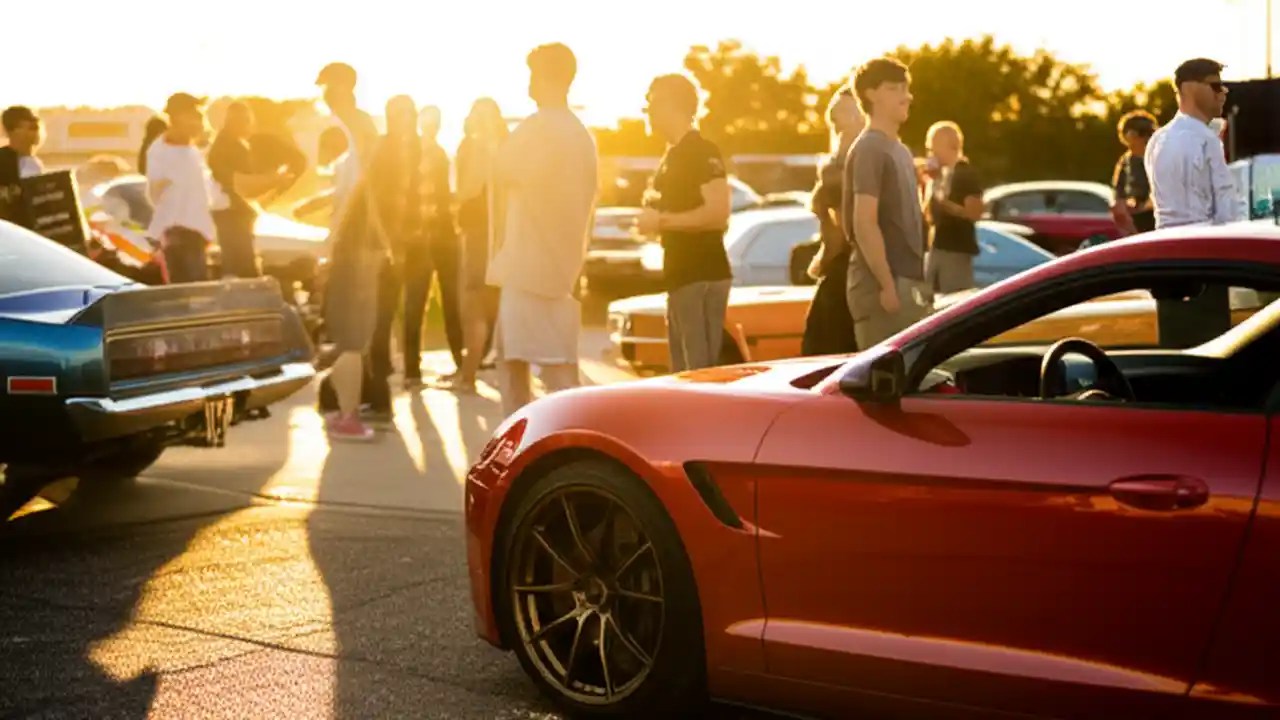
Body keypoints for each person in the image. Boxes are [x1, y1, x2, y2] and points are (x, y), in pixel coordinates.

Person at [488, 43, 598, 417]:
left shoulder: (541, 128)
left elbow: (503, 169)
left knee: (528, 365)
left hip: (530, 265)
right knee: (552, 361)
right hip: (560, 265)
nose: (529, 83)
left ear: (549, 78)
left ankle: (524, 442)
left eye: (533, 74)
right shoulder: (580, 133)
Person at [636, 73, 733, 372]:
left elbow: (718, 213)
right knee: (684, 374)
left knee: (700, 376)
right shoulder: (673, 154)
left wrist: (661, 220)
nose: (648, 113)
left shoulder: (700, 150)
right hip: (681, 276)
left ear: (671, 105)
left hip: (701, 275)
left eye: (651, 104)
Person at [315, 61, 384, 442]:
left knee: (351, 334)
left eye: (327, 87)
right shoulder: (359, 129)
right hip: (359, 245)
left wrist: (335, 242)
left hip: (355, 246)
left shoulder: (355, 129)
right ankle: (344, 412)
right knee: (347, 334)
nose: (323, 96)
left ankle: (348, 416)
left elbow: (359, 192)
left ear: (343, 88)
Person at [844, 58, 930, 349]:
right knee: (882, 385)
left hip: (909, 284)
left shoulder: (901, 151)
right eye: (894, 88)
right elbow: (864, 222)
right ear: (870, 94)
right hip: (882, 289)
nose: (906, 96)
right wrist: (886, 285)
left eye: (906, 88)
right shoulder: (870, 148)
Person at [431, 98, 506, 394]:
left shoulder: (476, 147)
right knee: (493, 307)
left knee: (472, 306)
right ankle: (474, 370)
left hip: (477, 233)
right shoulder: (506, 146)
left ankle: (467, 376)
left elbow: (468, 188)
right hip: (499, 235)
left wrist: (454, 196)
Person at [365, 94, 422, 422]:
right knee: (380, 321)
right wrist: (387, 243)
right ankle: (378, 398)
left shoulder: (415, 149)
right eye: (400, 113)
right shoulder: (384, 149)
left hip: (415, 246)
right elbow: (373, 198)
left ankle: (406, 374)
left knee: (407, 315)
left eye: (409, 113)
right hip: (387, 247)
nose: (406, 118)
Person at [402, 105, 463, 387]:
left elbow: (444, 195)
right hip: (425, 238)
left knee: (438, 302)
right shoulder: (420, 154)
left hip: (435, 237)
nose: (432, 126)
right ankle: (415, 370)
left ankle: (418, 371)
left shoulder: (432, 154)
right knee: (426, 303)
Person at [801, 86, 862, 357]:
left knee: (828, 351)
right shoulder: (836, 165)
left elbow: (840, 231)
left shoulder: (844, 167)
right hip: (845, 266)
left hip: (849, 267)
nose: (839, 128)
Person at [1147, 58, 1242, 229]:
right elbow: (1227, 212)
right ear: (1189, 88)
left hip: (1165, 244)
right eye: (1215, 86)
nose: (1223, 92)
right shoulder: (1207, 140)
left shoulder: (1156, 140)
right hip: (1203, 244)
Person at [208, 102, 296, 278]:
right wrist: (275, 179)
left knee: (240, 266)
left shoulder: (231, 144)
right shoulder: (228, 146)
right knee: (241, 268)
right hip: (232, 214)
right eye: (246, 120)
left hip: (235, 213)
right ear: (233, 121)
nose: (250, 125)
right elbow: (239, 184)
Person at [145, 93, 215, 284]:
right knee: (191, 294)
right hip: (179, 234)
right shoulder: (161, 151)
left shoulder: (192, 151)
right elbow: (155, 194)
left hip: (196, 234)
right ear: (178, 116)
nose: (200, 120)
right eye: (194, 114)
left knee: (198, 292)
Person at [922, 121, 984, 293]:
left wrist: (945, 204)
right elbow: (928, 215)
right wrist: (929, 186)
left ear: (951, 146)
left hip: (956, 249)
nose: (931, 153)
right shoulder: (940, 174)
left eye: (934, 147)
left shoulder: (965, 174)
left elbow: (975, 213)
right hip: (937, 247)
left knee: (954, 301)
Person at [1111, 110, 1158, 236]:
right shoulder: (1126, 160)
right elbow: (1119, 190)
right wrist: (1121, 207)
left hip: (1154, 216)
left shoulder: (1157, 157)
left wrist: (1146, 206)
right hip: (1134, 216)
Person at [0, 106, 45, 229]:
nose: (34, 133)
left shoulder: (35, 164)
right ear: (11, 131)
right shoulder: (2, 160)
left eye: (36, 128)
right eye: (30, 128)